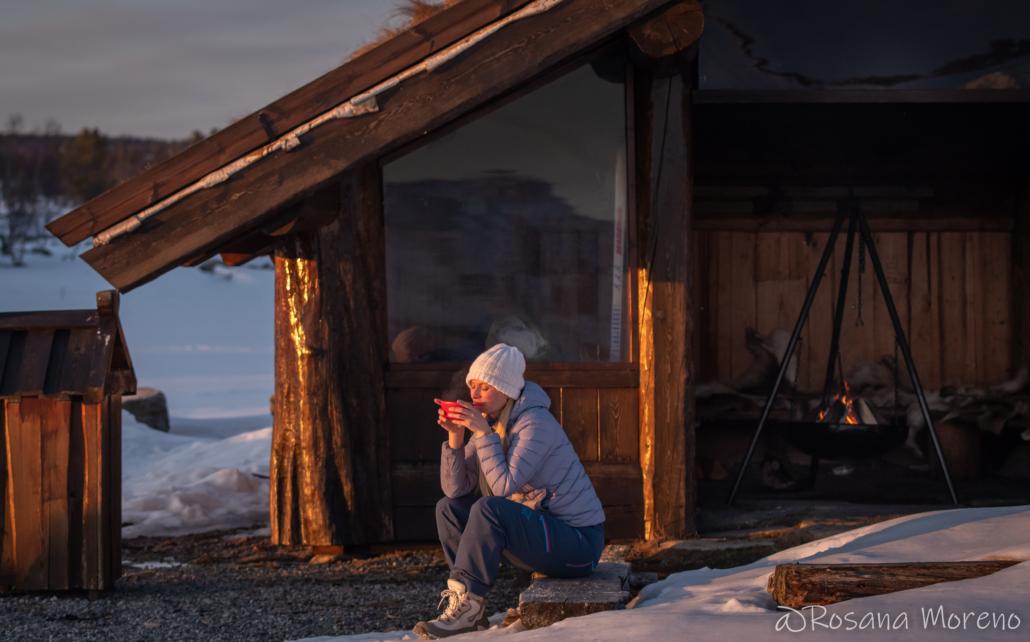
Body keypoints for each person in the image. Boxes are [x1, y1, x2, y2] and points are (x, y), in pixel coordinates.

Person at [413, 343, 605, 640]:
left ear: (507, 390)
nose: (474, 394)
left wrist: (483, 434)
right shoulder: (492, 425)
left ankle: (469, 603)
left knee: (489, 508)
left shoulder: (536, 423)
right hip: (544, 536)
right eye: (472, 386)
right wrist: (455, 437)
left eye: (485, 387)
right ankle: (468, 605)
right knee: (448, 509)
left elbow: (504, 486)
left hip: (579, 545)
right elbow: (454, 490)